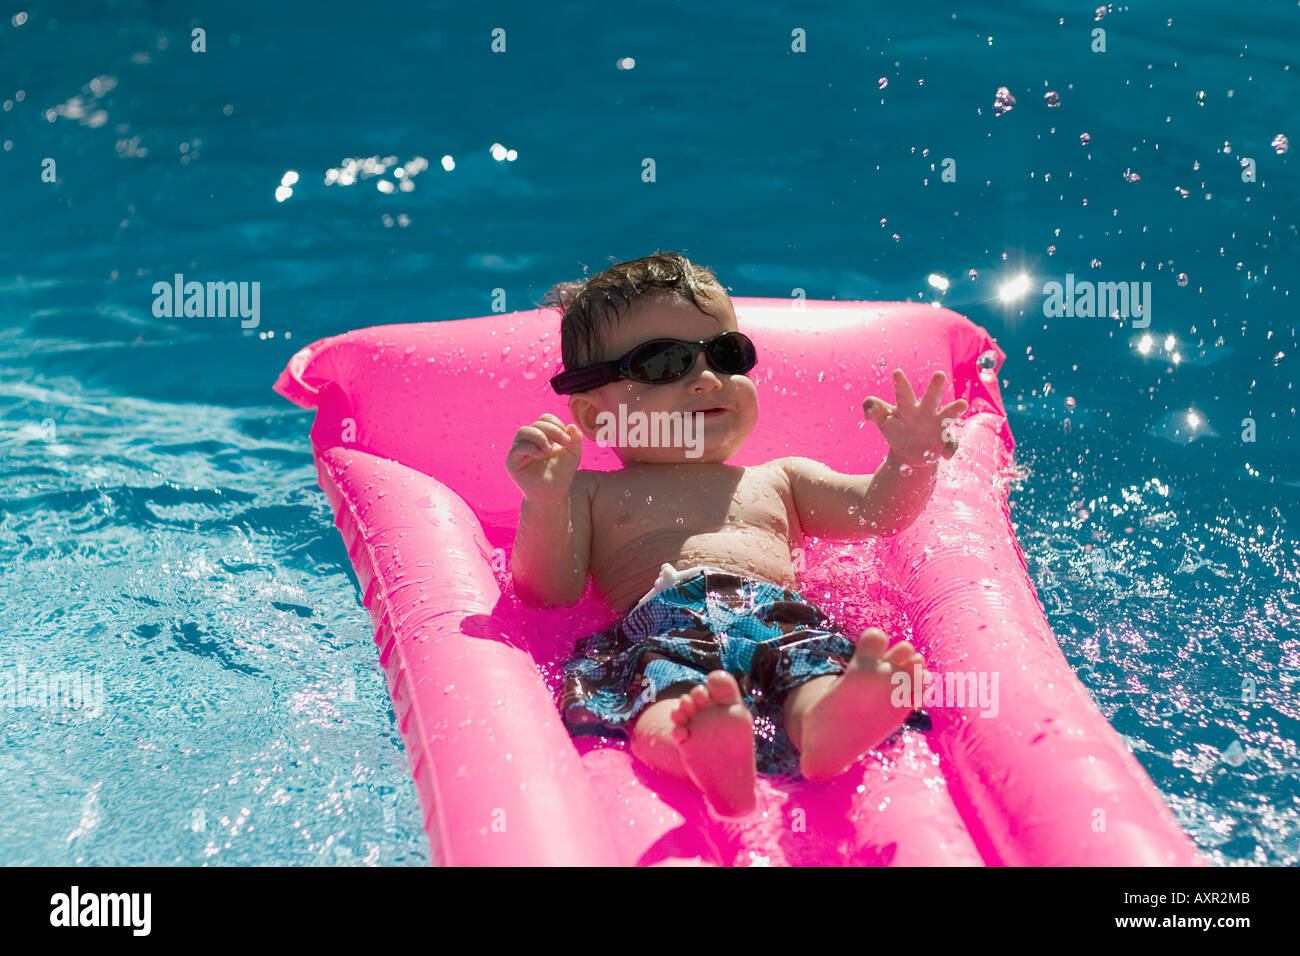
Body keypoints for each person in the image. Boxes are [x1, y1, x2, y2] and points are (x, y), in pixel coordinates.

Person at [506, 251, 966, 817]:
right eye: (663, 363)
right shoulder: (590, 494)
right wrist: (545, 499)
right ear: (597, 418)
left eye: (725, 354)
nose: (705, 378)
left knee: (811, 662)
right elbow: (547, 593)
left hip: (777, 617)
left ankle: (826, 724)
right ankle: (696, 749)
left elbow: (876, 511)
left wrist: (911, 461)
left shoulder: (782, 479)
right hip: (659, 626)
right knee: (660, 696)